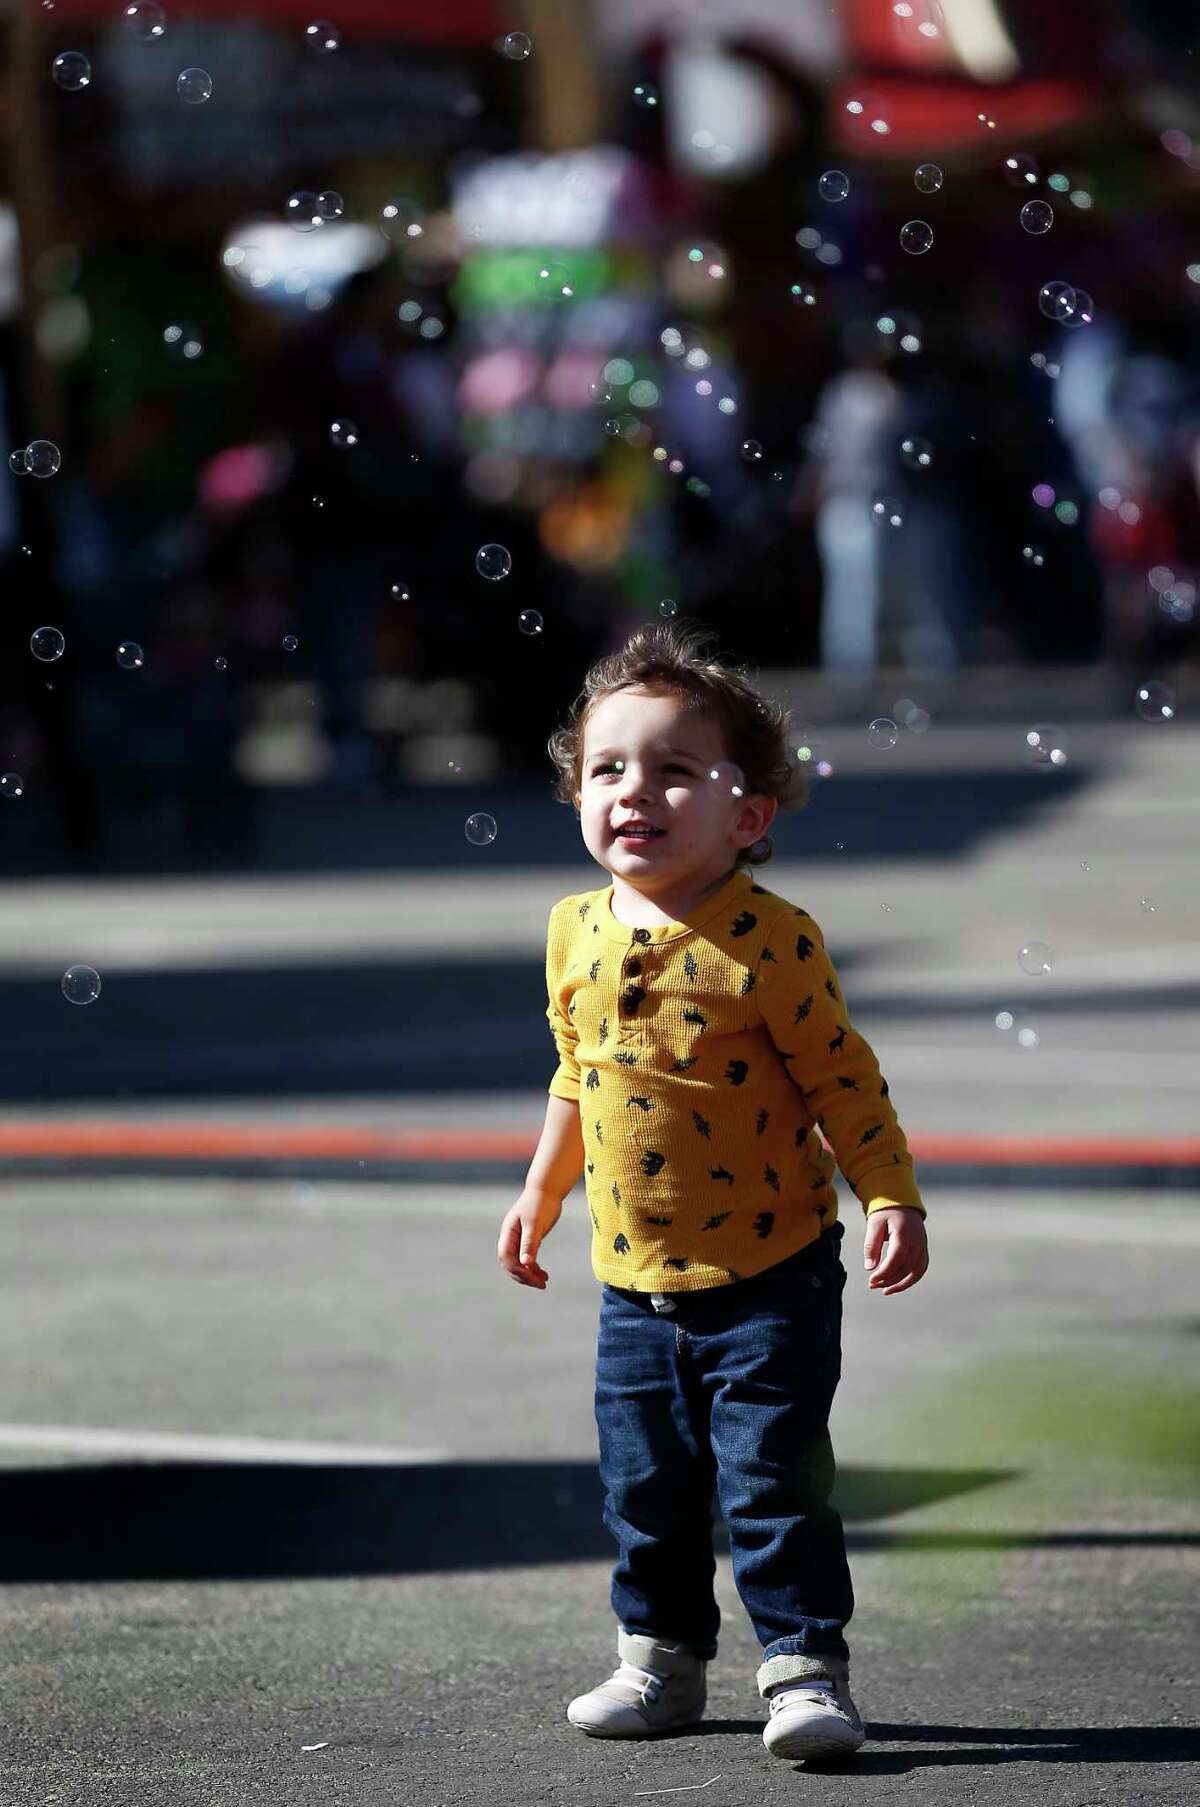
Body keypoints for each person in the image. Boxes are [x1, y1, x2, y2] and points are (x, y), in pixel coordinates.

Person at [496, 619, 929, 1763]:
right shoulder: (572, 930)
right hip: (633, 1282)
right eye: (607, 769)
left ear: (749, 815)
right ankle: (661, 1658)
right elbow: (578, 1072)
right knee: (645, 1487)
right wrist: (541, 1192)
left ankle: (804, 1669)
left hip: (771, 1274)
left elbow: (843, 1078)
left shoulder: (770, 941)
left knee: (772, 1482)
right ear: (576, 795)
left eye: (674, 770)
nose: (634, 791)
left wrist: (890, 1194)